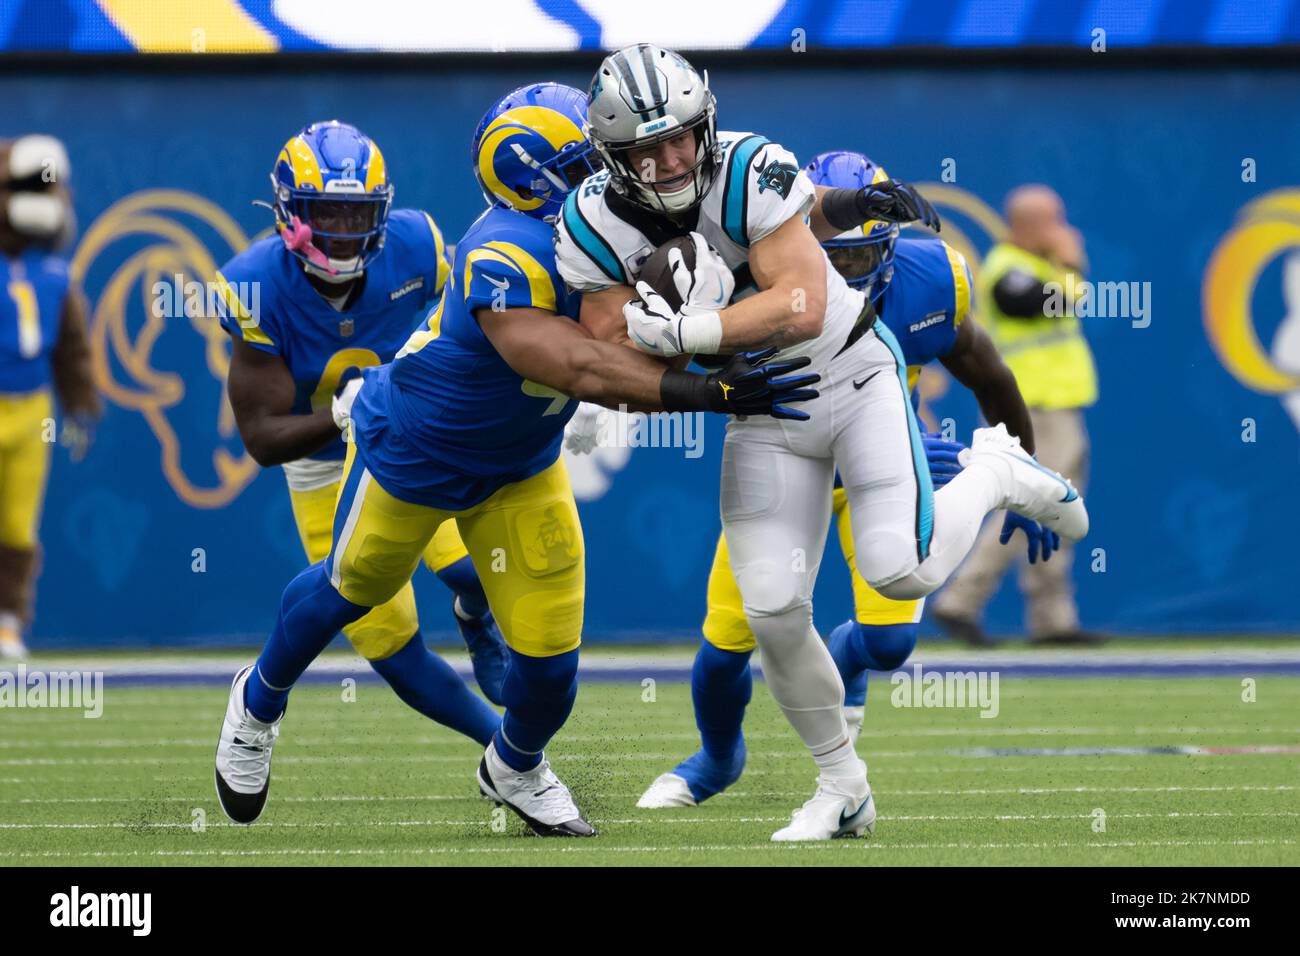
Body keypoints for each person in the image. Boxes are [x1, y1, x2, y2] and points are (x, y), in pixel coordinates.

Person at [212, 83, 818, 836]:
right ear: (542, 174)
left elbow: (746, 237)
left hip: (523, 459)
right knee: (355, 588)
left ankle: (514, 764)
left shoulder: (606, 221)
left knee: (551, 663)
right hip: (419, 449)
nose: (622, 168)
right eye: (594, 159)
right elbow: (582, 367)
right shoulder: (508, 252)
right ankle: (258, 702)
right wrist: (707, 388)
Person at [554, 45, 1088, 840]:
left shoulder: (751, 168)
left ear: (705, 124)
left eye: (679, 139)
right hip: (764, 405)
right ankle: (842, 785)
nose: (669, 161)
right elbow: (603, 341)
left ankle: (993, 472)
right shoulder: (591, 219)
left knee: (899, 575)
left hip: (852, 376)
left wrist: (686, 328)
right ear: (610, 155)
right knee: (769, 610)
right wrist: (671, 370)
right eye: (645, 148)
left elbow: (802, 303)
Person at [624, 150, 1057, 809]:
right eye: (839, 256)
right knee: (724, 649)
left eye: (864, 255)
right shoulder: (749, 281)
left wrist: (1018, 471)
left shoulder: (929, 284)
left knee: (889, 642)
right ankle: (717, 759)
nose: (852, 269)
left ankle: (845, 663)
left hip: (875, 472)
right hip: (784, 463)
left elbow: (992, 379)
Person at [932, 184, 1101, 646]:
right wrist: (1071, 262)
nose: (1062, 229)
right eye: (1053, 219)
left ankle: (1052, 620)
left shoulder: (1038, 266)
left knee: (1053, 509)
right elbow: (1048, 300)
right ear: (1027, 224)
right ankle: (961, 600)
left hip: (1059, 406)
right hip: (1033, 410)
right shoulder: (1008, 269)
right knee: (1033, 502)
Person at [0, 134, 101, 661]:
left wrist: (80, 403)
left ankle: (8, 620)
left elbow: (72, 351)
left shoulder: (57, 275)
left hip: (31, 406)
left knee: (17, 522)